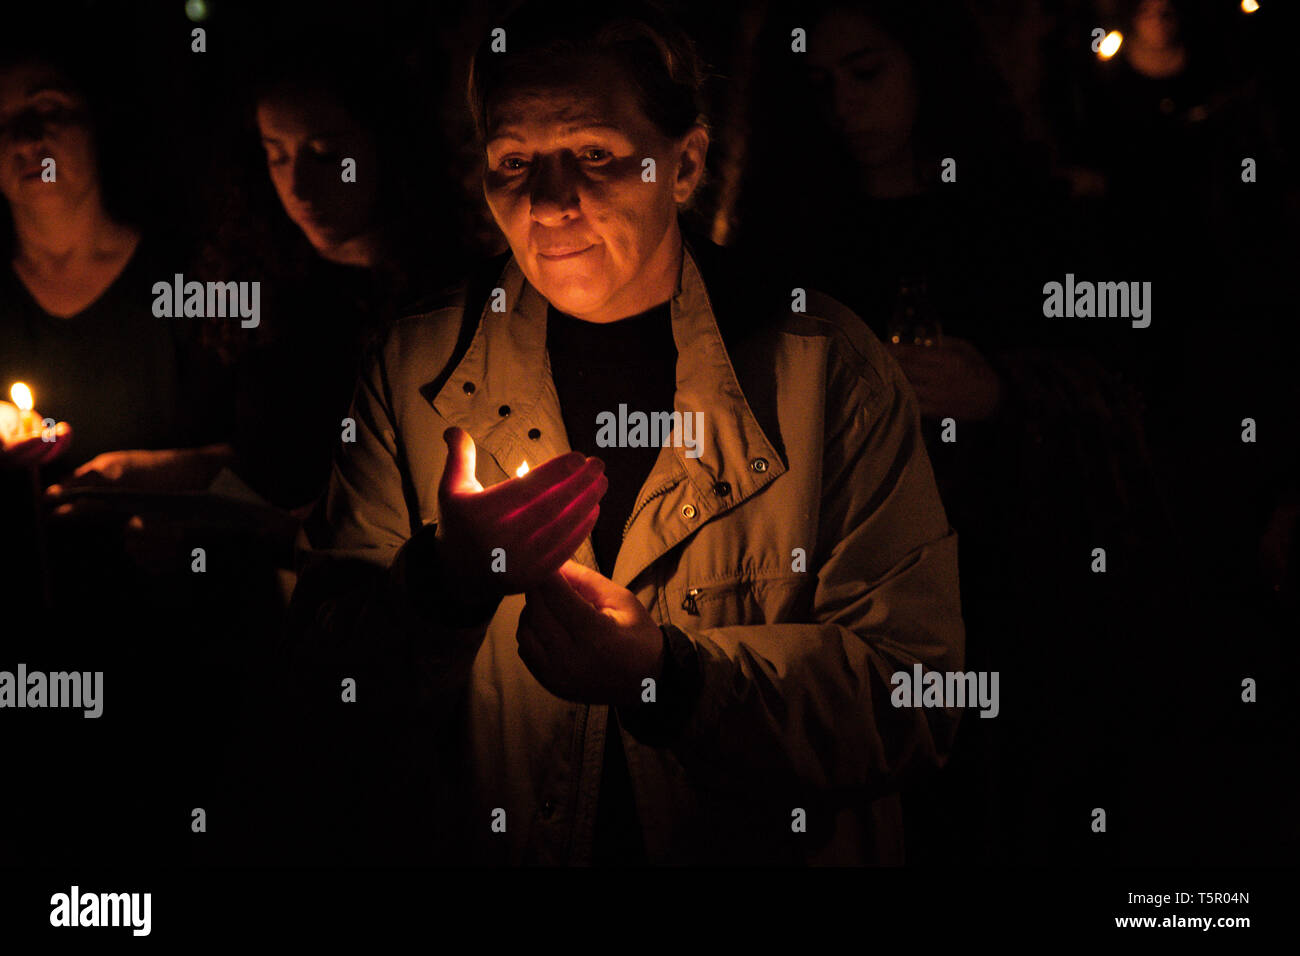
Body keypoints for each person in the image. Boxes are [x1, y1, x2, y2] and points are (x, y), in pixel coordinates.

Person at [287, 0, 963, 866]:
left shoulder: (824, 372)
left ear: (686, 167)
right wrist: (442, 589)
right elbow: (324, 685)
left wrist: (671, 679)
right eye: (515, 161)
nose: (550, 201)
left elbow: (915, 696)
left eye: (595, 156)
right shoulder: (418, 370)